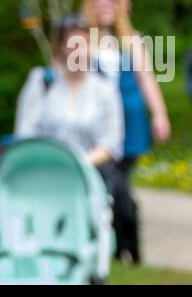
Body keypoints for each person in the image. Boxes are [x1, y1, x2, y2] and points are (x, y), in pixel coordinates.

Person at [83, 0, 171, 265]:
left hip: (129, 120)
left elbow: (147, 79)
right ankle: (123, 241)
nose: (104, 6)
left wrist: (159, 113)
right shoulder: (83, 41)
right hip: (98, 123)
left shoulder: (131, 40)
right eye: (98, 1)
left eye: (109, 1)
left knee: (118, 182)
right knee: (111, 183)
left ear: (118, 6)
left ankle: (127, 242)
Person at [14, 16, 131, 219]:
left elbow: (112, 142)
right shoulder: (42, 82)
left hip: (89, 180)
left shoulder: (105, 90)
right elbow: (25, 133)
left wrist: (78, 164)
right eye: (72, 44)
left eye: (84, 43)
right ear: (60, 47)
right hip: (44, 177)